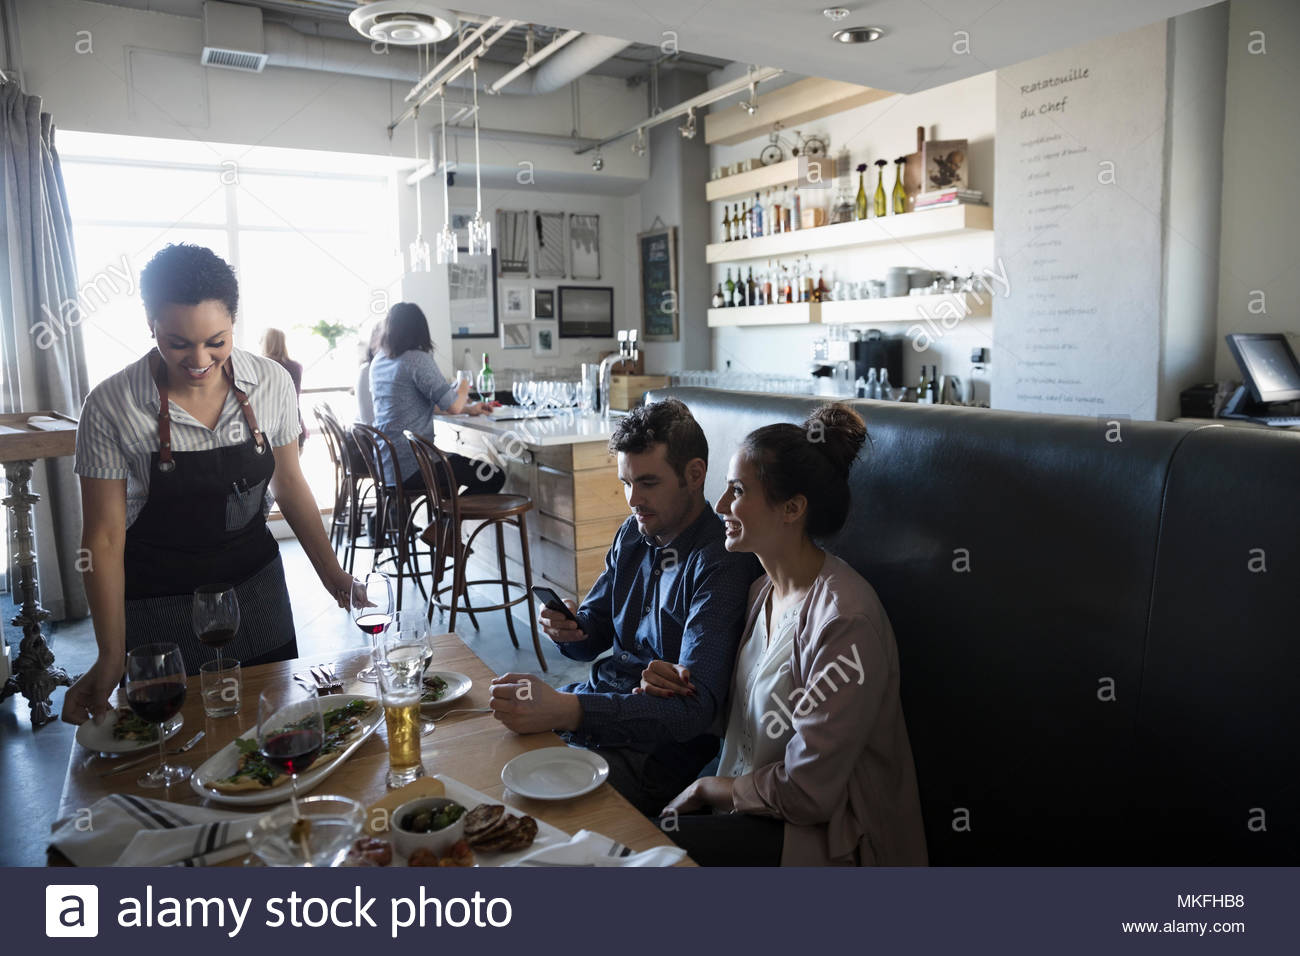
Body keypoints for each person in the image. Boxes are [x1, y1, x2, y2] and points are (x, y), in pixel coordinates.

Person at [62, 244, 357, 724]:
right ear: (150, 323)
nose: (199, 359)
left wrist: (331, 573)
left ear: (235, 323)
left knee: (275, 732)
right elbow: (103, 537)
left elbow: (289, 482)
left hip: (256, 591)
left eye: (215, 341)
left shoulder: (272, 382)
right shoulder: (110, 405)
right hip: (158, 601)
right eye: (177, 343)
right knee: (171, 743)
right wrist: (110, 655)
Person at [642, 404, 927, 866]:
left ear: (793, 508)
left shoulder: (844, 622)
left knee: (651, 854)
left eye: (737, 491)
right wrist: (678, 689)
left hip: (825, 838)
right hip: (755, 810)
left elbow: (809, 793)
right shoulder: (761, 593)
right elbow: (753, 725)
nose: (719, 506)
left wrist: (711, 786)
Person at [488, 399, 761, 816]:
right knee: (488, 759)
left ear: (694, 474)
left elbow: (692, 713)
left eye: (648, 483)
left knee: (519, 803)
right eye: (626, 482)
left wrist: (567, 709)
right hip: (594, 710)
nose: (634, 499)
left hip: (654, 755)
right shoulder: (632, 534)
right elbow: (590, 635)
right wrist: (569, 629)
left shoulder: (720, 562)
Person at [369, 302, 503, 495]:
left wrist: (469, 408)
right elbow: (453, 408)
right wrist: (464, 386)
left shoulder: (379, 360)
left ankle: (444, 521)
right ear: (420, 329)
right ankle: (449, 522)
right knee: (494, 476)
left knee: (451, 483)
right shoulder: (416, 359)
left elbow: (416, 404)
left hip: (387, 464)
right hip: (414, 465)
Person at [259, 327, 305, 449]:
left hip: (267, 428)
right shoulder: (296, 367)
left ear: (266, 343)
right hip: (296, 423)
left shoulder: (260, 369)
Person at [354, 322, 383, 425]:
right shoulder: (367, 370)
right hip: (364, 437)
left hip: (368, 432)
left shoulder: (369, 369)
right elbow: (368, 420)